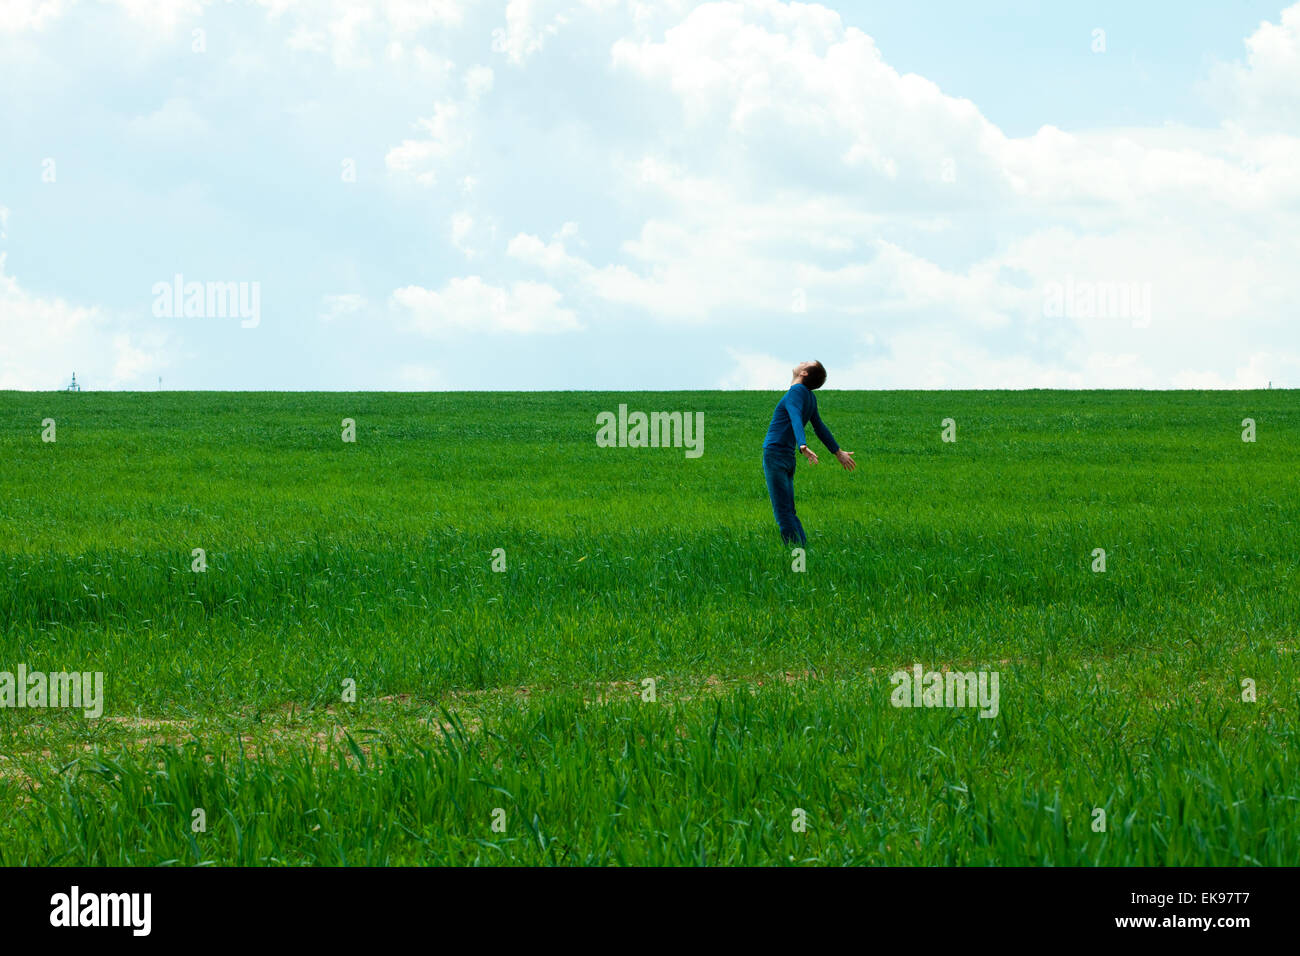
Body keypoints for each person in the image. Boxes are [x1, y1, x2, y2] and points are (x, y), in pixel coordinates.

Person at [761, 360, 855, 545]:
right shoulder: (809, 396)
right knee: (788, 510)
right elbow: (819, 427)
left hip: (776, 453)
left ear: (804, 373)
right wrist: (837, 452)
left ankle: (795, 554)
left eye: (804, 363)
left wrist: (802, 444)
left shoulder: (796, 392)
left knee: (782, 512)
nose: (800, 362)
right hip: (786, 456)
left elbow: (795, 415)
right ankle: (801, 550)